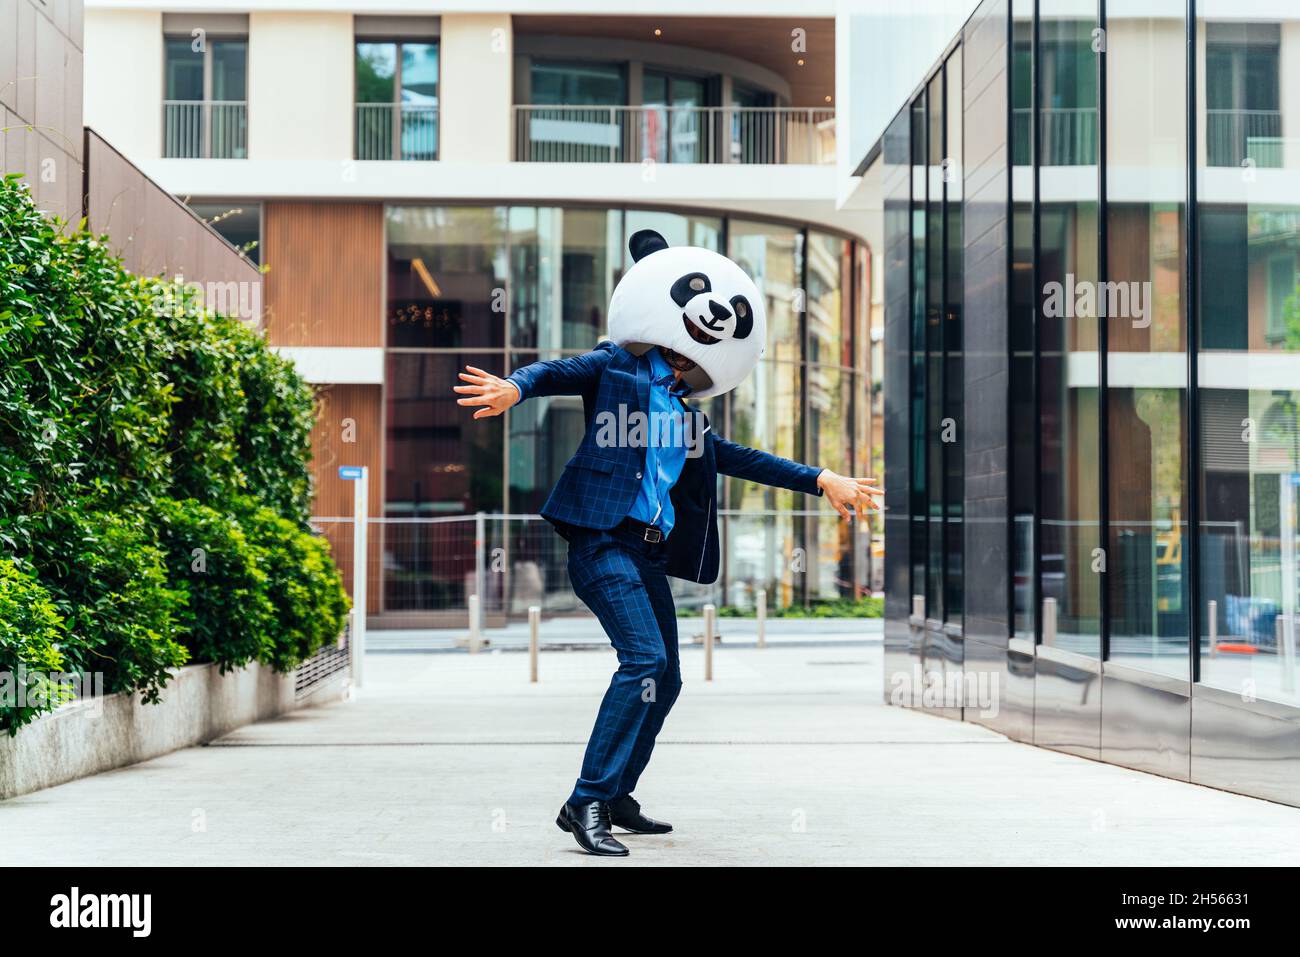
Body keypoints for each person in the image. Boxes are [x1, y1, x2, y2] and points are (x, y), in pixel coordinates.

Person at [455, 229, 880, 856]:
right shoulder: (617, 366)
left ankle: (618, 792)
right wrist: (514, 388)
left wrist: (821, 479)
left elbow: (738, 457)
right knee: (644, 661)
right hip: (602, 544)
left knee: (669, 676)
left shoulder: (684, 412)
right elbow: (559, 371)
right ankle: (586, 800)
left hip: (647, 553)